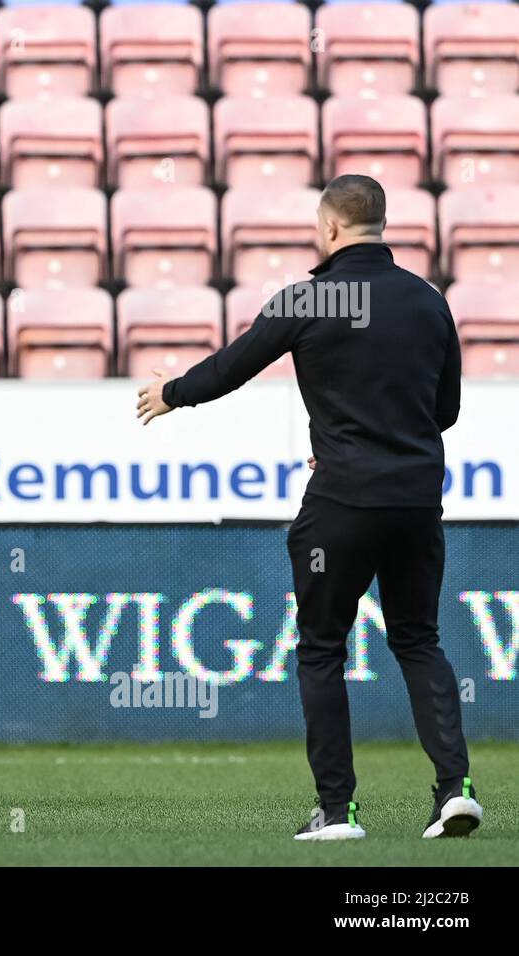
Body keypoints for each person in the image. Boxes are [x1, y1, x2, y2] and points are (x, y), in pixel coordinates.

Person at [135, 175, 481, 841]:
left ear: (328, 230)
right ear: (380, 224)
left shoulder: (309, 297)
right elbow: (447, 412)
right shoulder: (429, 301)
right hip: (415, 500)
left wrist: (171, 392)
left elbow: (233, 366)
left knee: (322, 649)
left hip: (342, 501)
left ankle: (338, 809)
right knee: (418, 640)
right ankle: (454, 790)